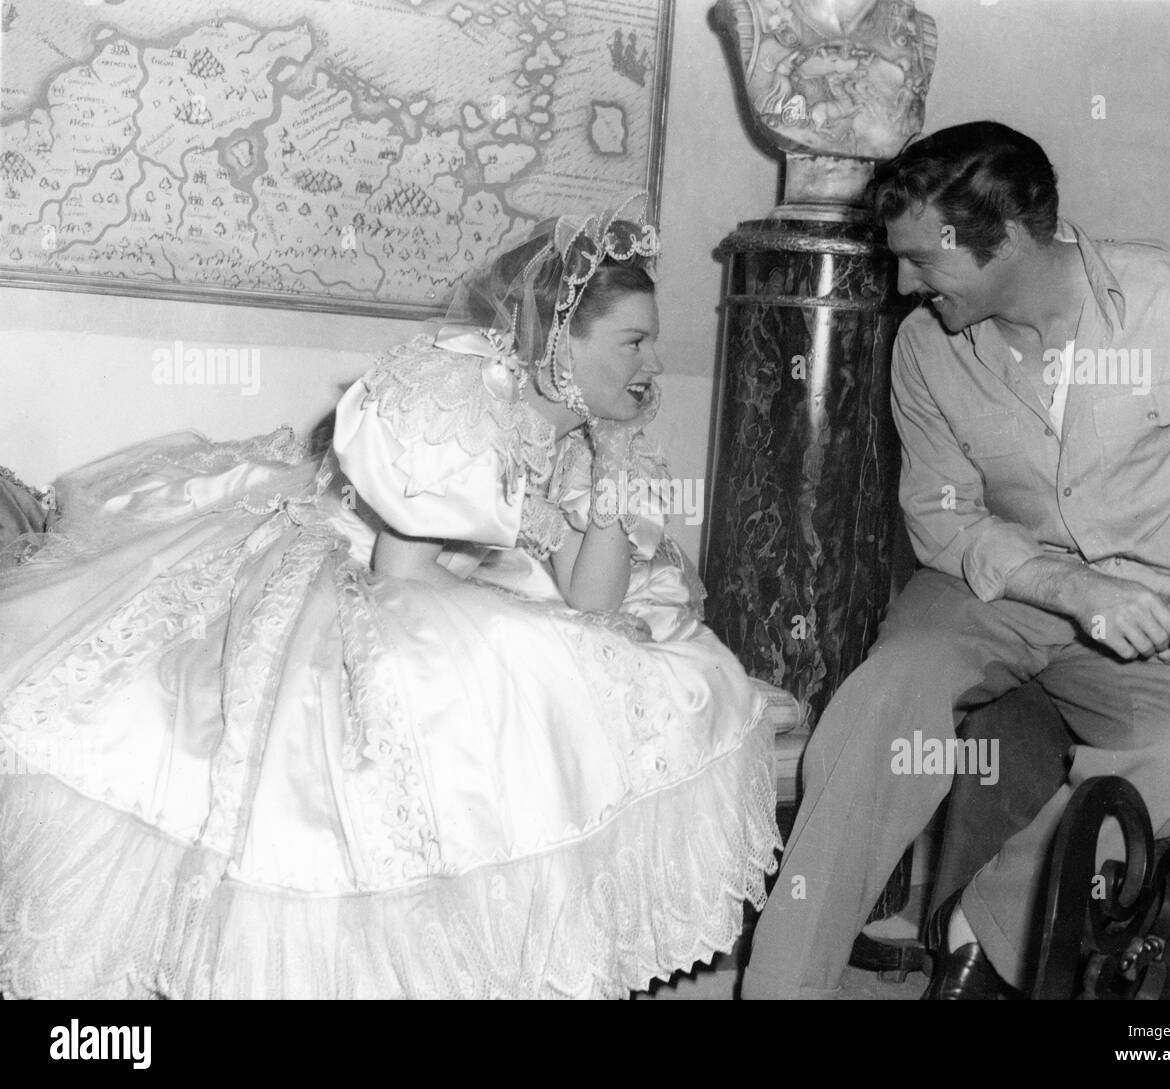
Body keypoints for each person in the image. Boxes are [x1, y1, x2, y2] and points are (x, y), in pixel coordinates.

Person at [0, 205, 786, 999]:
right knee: (498, 671)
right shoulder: (461, 395)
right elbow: (404, 573)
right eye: (634, 340)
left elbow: (593, 595)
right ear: (562, 341)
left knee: (648, 667)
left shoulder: (574, 431)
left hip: (443, 576)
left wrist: (613, 459)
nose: (656, 358)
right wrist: (538, 627)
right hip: (358, 564)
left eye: (652, 338)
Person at [741, 121, 1170, 1000]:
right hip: (991, 591)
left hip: (1153, 600)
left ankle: (986, 921)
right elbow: (943, 515)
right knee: (885, 703)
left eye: (924, 259)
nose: (903, 283)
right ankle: (779, 989)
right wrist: (1073, 586)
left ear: (1010, 241)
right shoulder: (925, 345)